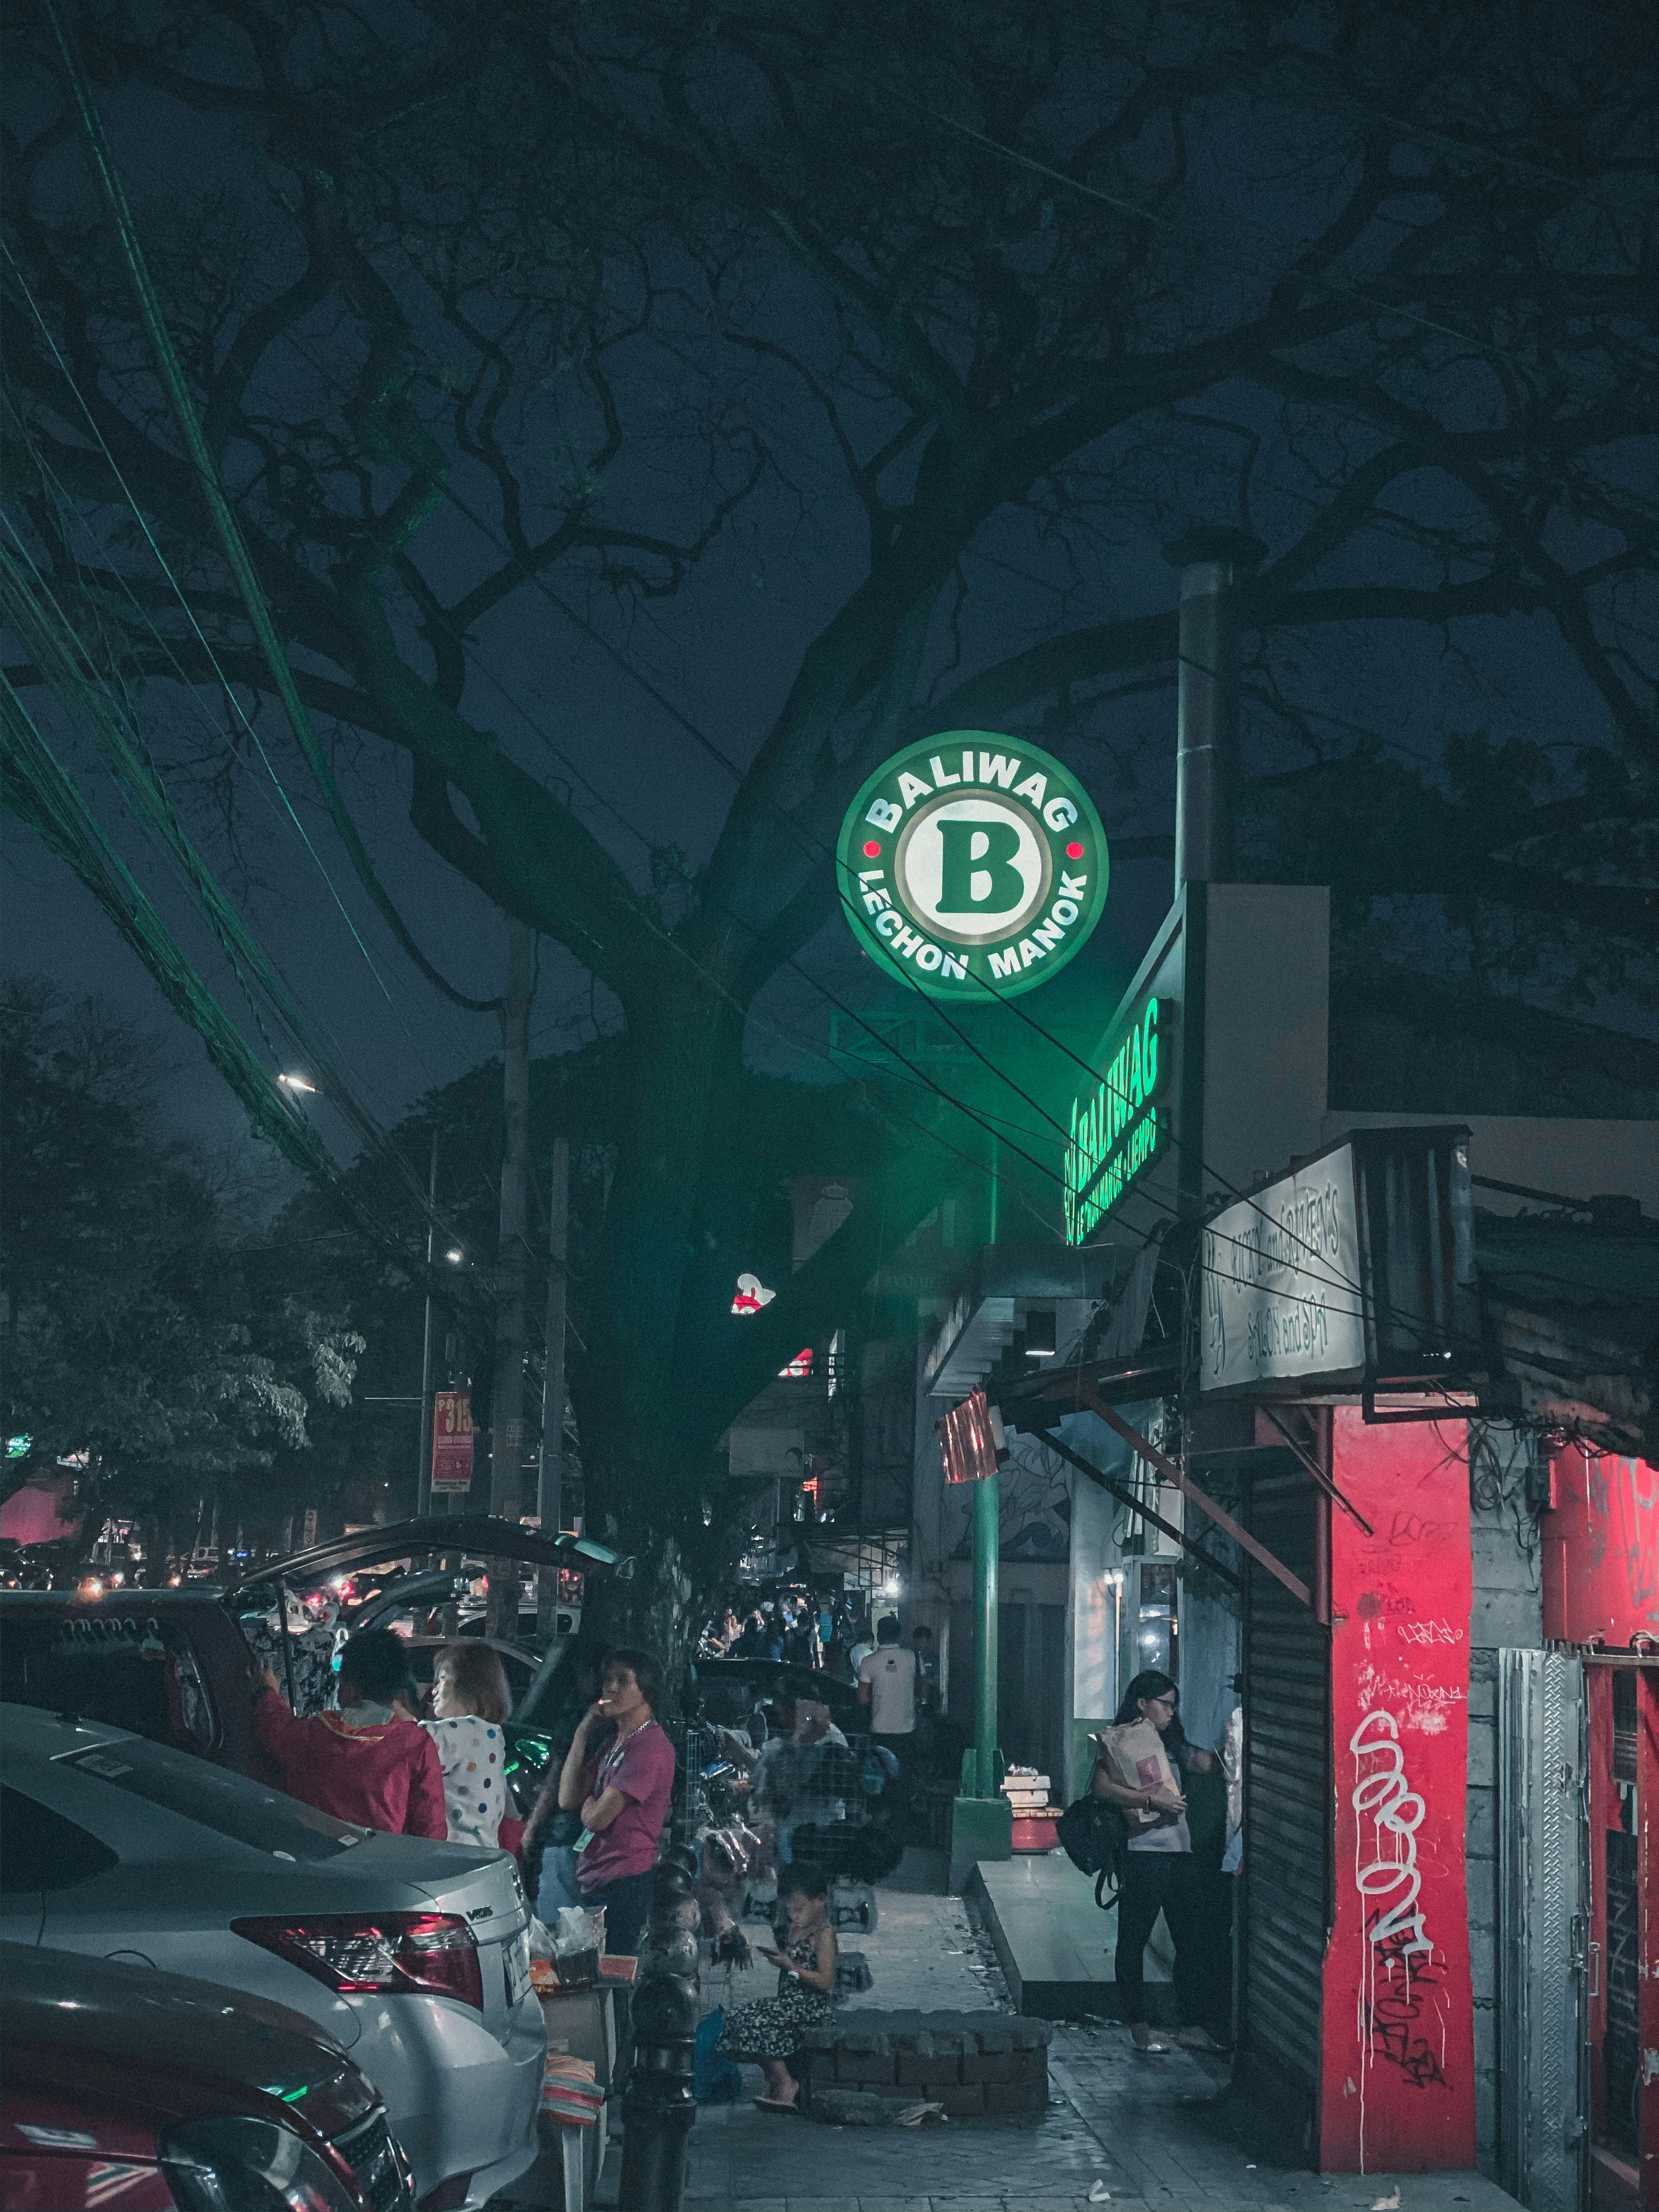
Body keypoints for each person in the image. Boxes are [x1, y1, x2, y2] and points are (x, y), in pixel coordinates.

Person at [1088, 1668, 1222, 2055]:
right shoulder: (1121, 1741)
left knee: (1191, 1938)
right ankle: (1140, 2027)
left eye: (1174, 1706)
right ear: (1142, 1703)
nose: (1170, 1712)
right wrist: (1150, 1801)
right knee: (1134, 1939)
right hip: (1143, 1852)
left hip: (1180, 1851)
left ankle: (1192, 2024)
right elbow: (1102, 1788)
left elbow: (1202, 1764)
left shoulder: (1172, 1742)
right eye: (1164, 1704)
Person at [254, 1628, 447, 1839]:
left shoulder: (318, 1732)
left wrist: (268, 1692)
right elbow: (431, 1830)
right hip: (380, 1864)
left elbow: (277, 1729)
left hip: (313, 1856)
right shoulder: (416, 1744)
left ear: (351, 1688)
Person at [552, 1647, 675, 1956]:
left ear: (646, 1690)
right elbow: (567, 1797)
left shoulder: (649, 1748)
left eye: (623, 1681)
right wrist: (582, 1733)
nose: (611, 1688)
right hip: (596, 1874)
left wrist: (590, 1804)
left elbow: (596, 1819)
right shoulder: (614, 1743)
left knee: (613, 1975)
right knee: (594, 1974)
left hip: (625, 1879)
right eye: (608, 1680)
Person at [718, 1861, 838, 2111]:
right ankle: (772, 2076)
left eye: (800, 1908)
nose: (794, 1914)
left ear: (820, 1899)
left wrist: (791, 1967)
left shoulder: (824, 1935)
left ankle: (786, 2083)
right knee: (737, 2019)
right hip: (787, 2003)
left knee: (758, 2022)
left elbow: (825, 1981)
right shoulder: (793, 1929)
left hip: (810, 2007)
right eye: (790, 1909)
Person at [421, 1643, 511, 1848]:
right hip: (482, 1852)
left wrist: (393, 1707)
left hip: (454, 1855)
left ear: (470, 1687)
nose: (433, 1690)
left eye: (443, 1680)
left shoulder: (460, 1732)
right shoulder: (491, 1734)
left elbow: (410, 1739)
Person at [857, 1616, 917, 1770]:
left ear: (878, 1635)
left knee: (882, 1773)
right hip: (907, 1727)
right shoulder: (912, 1657)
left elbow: (863, 1699)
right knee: (904, 1773)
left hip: (880, 1728)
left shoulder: (868, 1661)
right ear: (899, 1635)